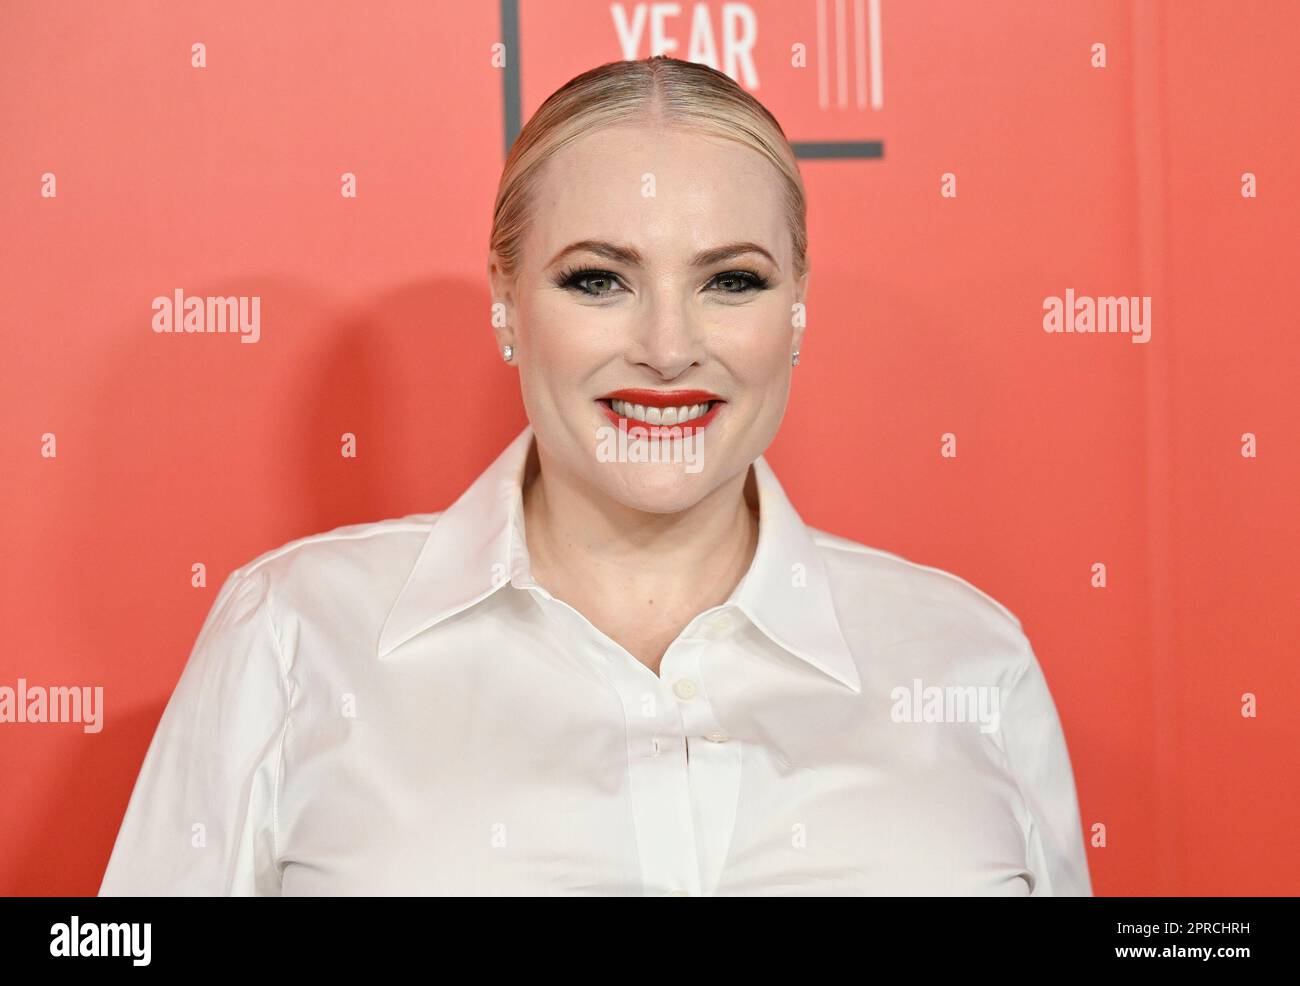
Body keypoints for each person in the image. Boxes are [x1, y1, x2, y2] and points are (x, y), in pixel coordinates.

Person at [99, 55, 1092, 896]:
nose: (667, 347)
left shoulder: (968, 658)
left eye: (731, 280)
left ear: (796, 310)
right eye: (597, 279)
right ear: (504, 302)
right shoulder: (293, 635)